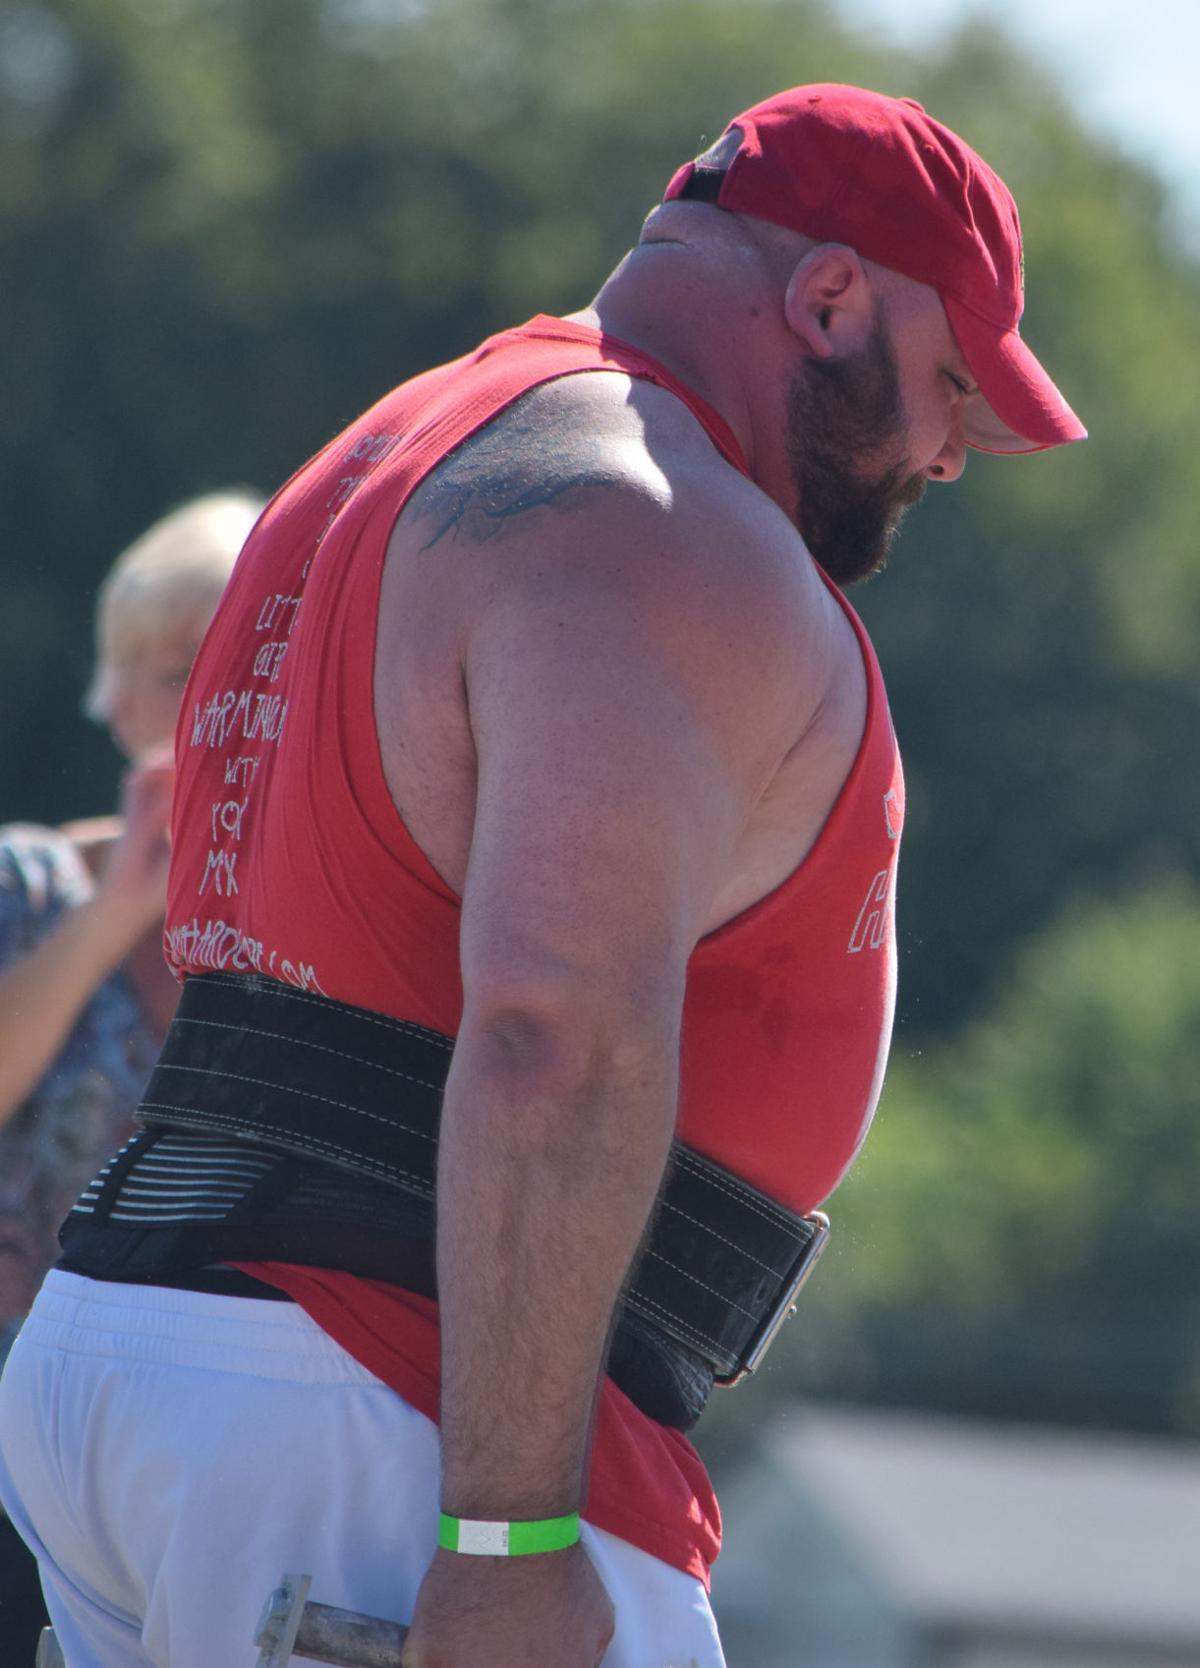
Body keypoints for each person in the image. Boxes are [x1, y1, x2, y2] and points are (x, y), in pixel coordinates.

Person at [0, 85, 1084, 1668]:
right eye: (947, 387)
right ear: (830, 297)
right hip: (377, 1410)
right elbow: (549, 1035)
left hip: (180, 1363)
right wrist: (506, 1536)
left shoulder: (392, 446)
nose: (950, 452)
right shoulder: (646, 518)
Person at [0, 491, 261, 1663]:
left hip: (222, 1425)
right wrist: (116, 917)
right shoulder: (31, 888)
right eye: (166, 669)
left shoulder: (320, 933)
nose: (198, 700)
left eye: (234, 668)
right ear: (113, 698)